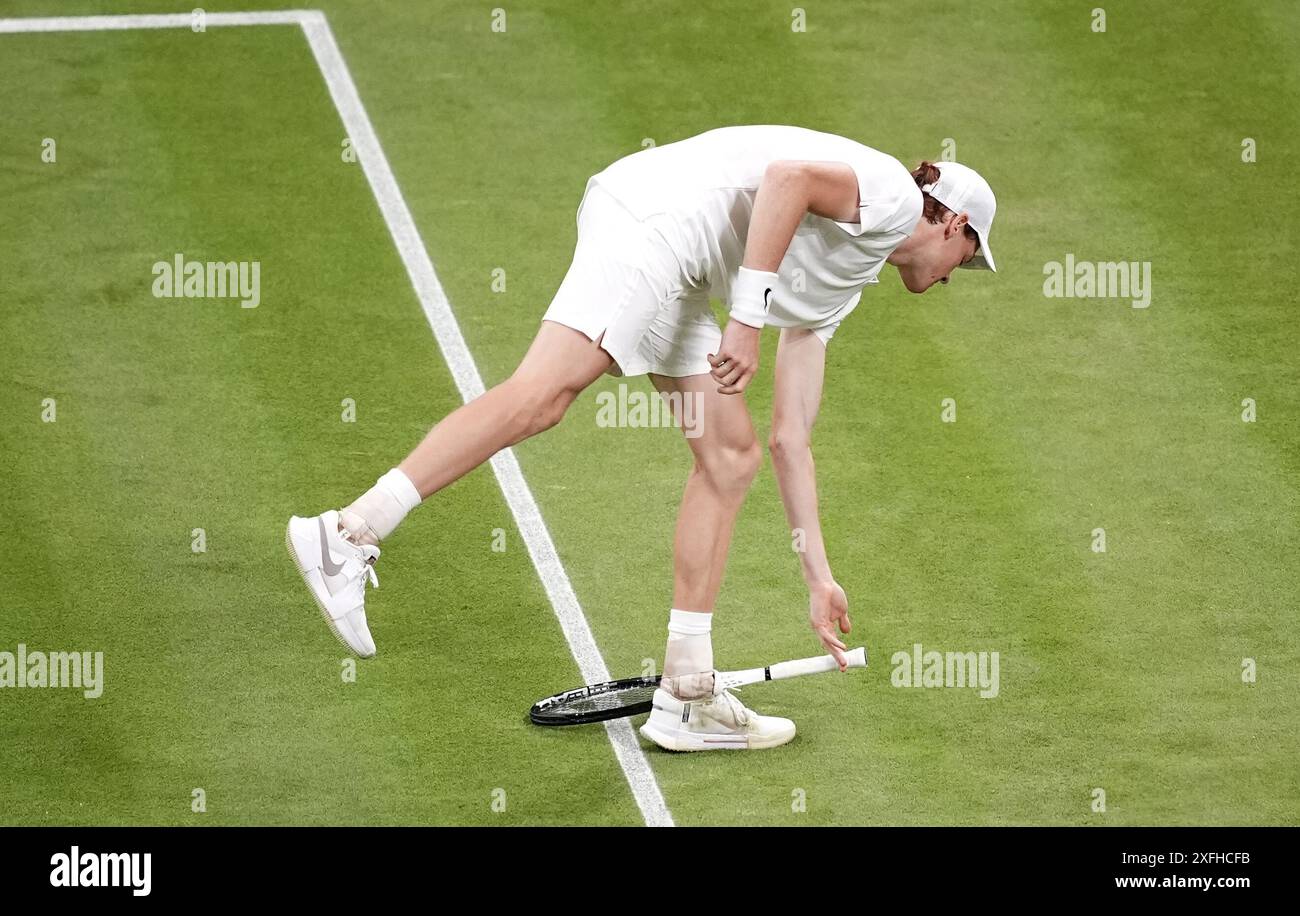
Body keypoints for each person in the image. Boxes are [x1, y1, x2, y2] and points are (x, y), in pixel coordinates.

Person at [287, 124, 997, 752]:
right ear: (953, 222)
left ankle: (687, 694)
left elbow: (791, 439)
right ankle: (347, 533)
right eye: (967, 257)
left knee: (730, 457)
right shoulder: (893, 199)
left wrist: (818, 577)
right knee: (544, 395)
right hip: (655, 224)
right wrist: (746, 319)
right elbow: (788, 179)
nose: (954, 278)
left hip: (681, 268)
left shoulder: (847, 284)